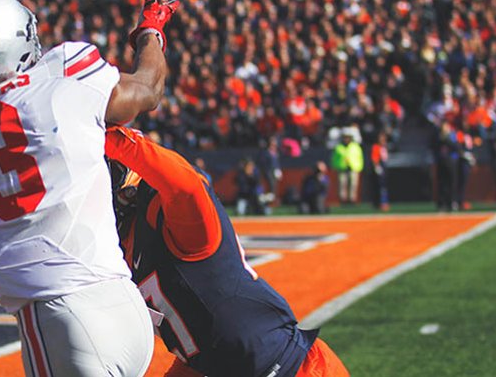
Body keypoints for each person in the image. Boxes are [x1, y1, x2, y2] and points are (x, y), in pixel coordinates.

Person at [0, 0, 176, 376]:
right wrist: (150, 30)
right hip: (122, 303)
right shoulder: (65, 72)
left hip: (60, 321)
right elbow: (147, 89)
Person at [105, 126, 348, 377]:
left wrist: (110, 136)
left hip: (294, 370)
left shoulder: (177, 224)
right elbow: (202, 346)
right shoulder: (121, 250)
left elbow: (186, 186)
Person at [331, 134, 363, 205]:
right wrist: (335, 166)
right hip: (342, 167)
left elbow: (359, 158)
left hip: (353, 167)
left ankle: (352, 199)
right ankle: (343, 199)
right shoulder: (339, 147)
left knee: (353, 184)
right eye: (345, 138)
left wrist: (359, 167)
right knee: (342, 184)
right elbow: (334, 158)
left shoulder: (355, 147)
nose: (346, 140)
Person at [370, 132, 389, 211]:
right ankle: (380, 203)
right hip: (379, 168)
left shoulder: (384, 147)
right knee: (380, 187)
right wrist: (377, 167)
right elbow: (374, 158)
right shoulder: (376, 147)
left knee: (384, 187)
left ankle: (384, 202)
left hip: (384, 168)